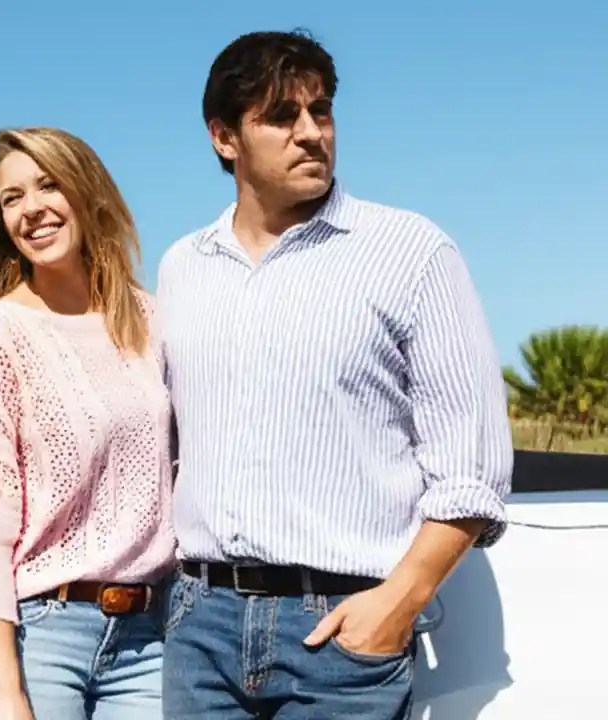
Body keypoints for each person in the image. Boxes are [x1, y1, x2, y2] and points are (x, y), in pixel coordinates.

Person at [154, 30, 513, 719]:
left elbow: (473, 471)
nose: (311, 133)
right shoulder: (181, 268)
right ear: (224, 138)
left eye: (321, 111)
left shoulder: (411, 252)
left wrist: (395, 605)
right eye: (282, 117)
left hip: (342, 632)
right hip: (198, 627)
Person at [0, 126, 176, 720]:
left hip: (149, 636)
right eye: (12, 198)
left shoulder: (154, 320)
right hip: (39, 636)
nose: (31, 210)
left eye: (48, 185)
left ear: (87, 192)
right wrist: (3, 691)